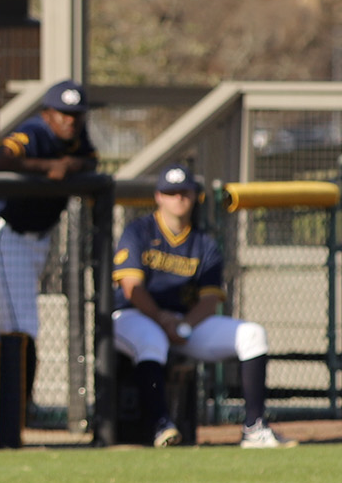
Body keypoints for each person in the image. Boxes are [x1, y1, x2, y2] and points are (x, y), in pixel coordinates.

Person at [112, 165, 294, 449]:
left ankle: (254, 428)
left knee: (253, 334)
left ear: (195, 196)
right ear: (159, 196)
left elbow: (209, 301)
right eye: (171, 193)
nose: (178, 199)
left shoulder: (204, 243)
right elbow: (131, 288)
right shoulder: (139, 231)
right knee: (152, 340)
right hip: (134, 316)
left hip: (184, 323)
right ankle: (160, 424)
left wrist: (183, 326)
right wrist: (163, 320)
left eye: (184, 192)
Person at [0, 79, 98, 338]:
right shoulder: (34, 131)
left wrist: (71, 165)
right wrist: (47, 167)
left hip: (37, 239)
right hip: (8, 234)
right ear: (47, 114)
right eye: (64, 115)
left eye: (76, 115)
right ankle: (19, 379)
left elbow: (92, 161)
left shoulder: (76, 137)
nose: (70, 121)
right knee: (23, 327)